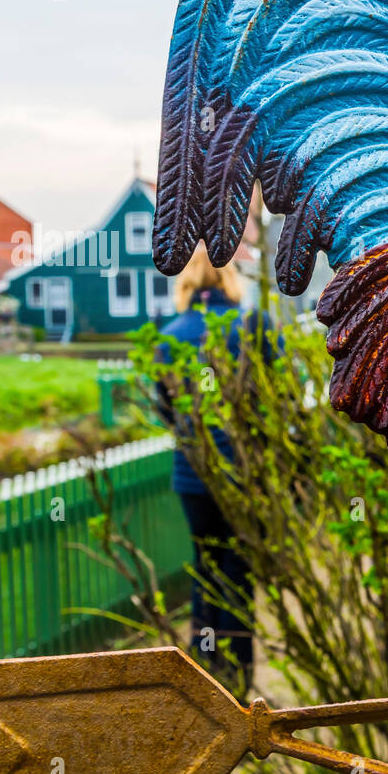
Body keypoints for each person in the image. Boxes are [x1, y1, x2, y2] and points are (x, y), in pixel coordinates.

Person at [155, 247, 261, 692]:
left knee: (206, 564)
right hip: (242, 471)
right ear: (229, 281)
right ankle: (238, 676)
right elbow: (278, 396)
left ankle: (204, 671)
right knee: (238, 568)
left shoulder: (169, 336)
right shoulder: (253, 328)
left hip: (192, 475)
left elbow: (165, 408)